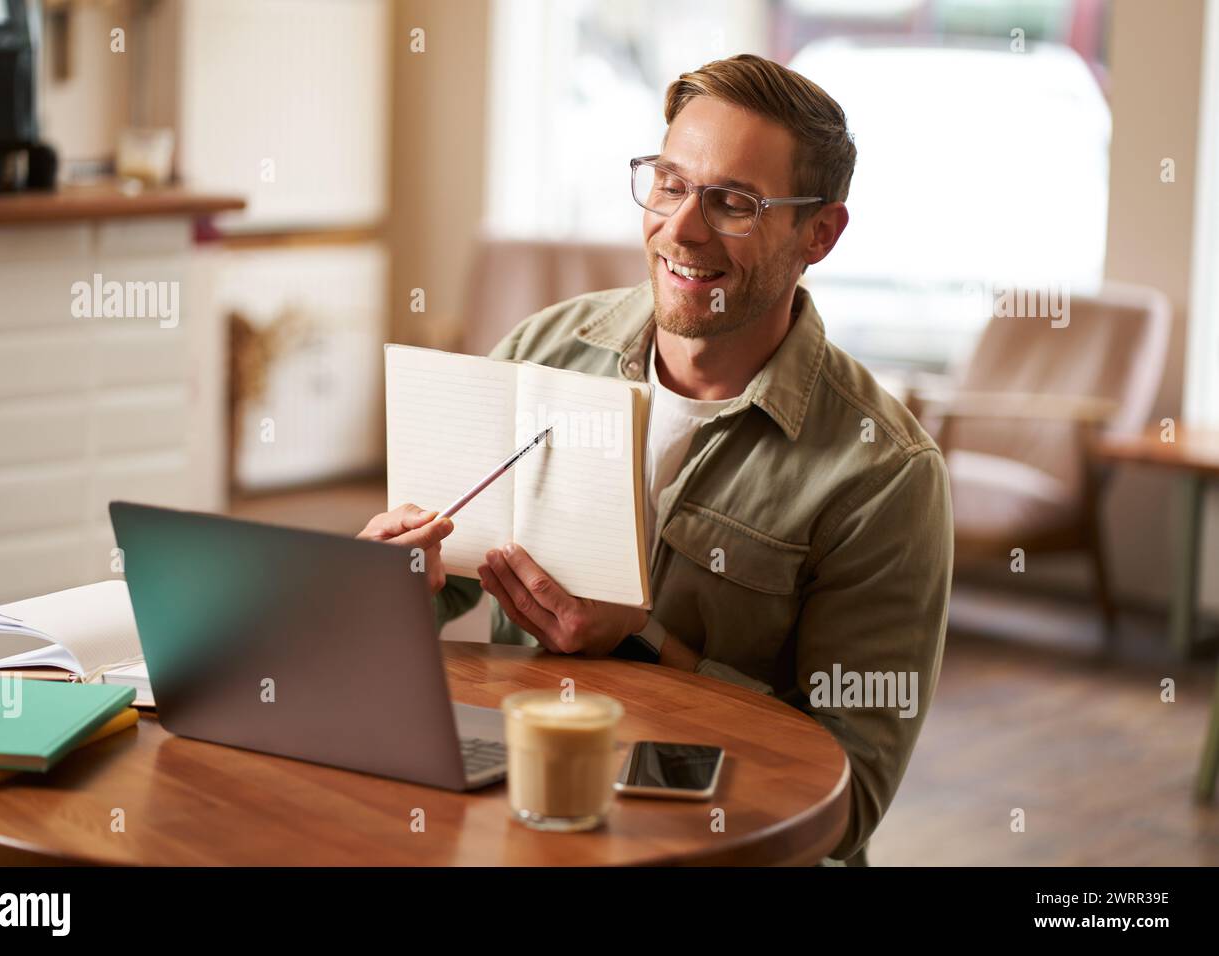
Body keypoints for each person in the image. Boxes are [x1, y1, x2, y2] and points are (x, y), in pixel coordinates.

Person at [358, 53, 953, 865]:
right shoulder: (542, 352)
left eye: (733, 203)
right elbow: (435, 590)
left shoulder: (885, 475)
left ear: (820, 233)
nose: (683, 228)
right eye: (670, 184)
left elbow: (851, 797)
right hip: (526, 825)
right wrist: (386, 583)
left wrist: (643, 644)